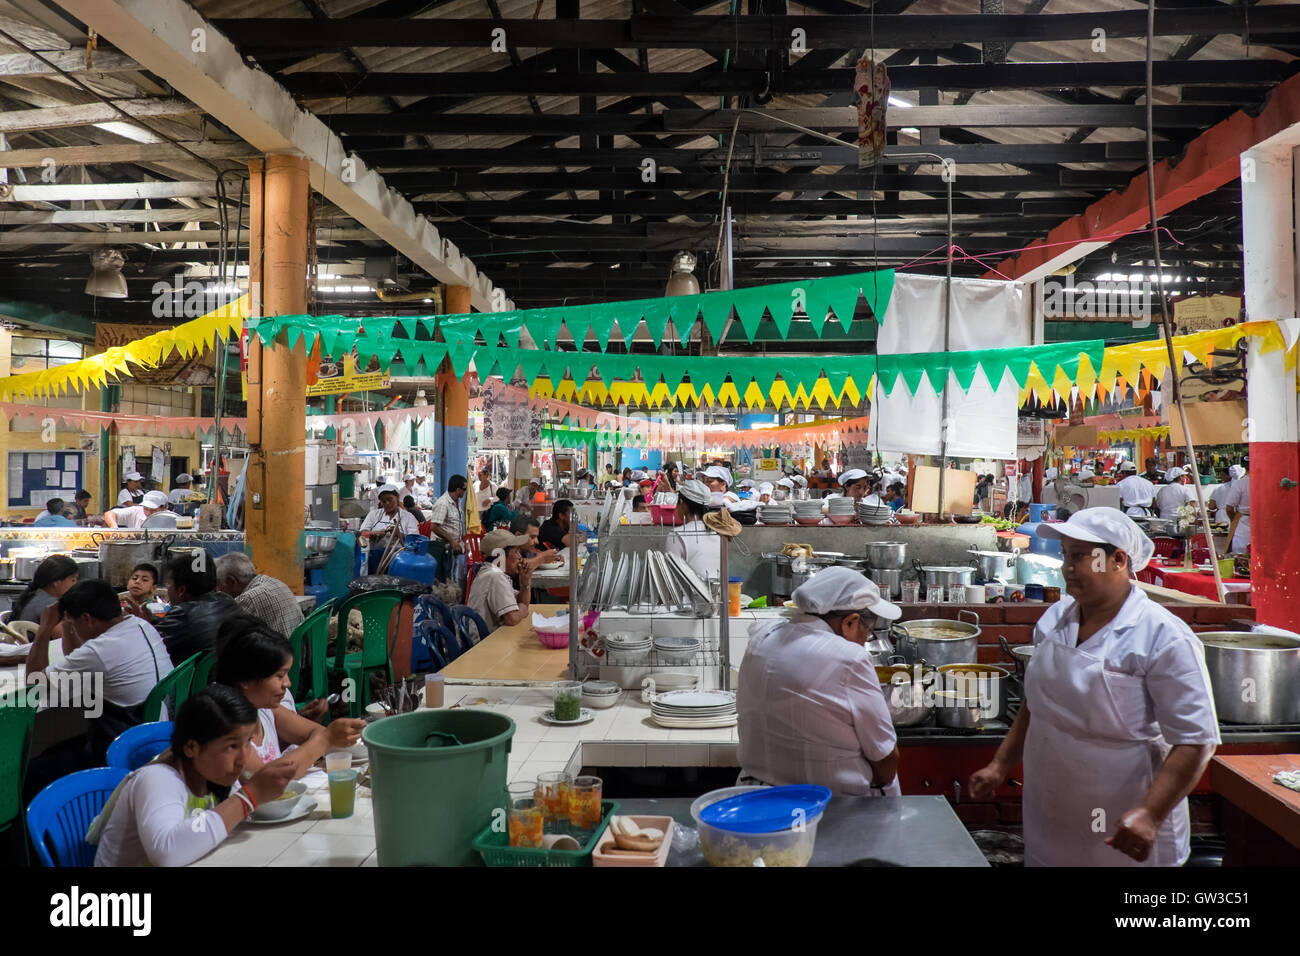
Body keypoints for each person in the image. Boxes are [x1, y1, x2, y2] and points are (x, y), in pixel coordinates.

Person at [968, 509, 1219, 866]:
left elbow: (1196, 740)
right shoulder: (1056, 618)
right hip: (1052, 811)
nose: (1067, 567)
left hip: (1124, 823)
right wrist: (1000, 764)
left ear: (1118, 560)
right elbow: (1037, 702)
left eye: (1080, 557)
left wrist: (1150, 813)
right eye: (1065, 555)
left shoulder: (1162, 636)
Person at [90, 685, 299, 867]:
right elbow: (166, 853)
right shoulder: (157, 779)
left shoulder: (214, 773)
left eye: (247, 743)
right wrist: (249, 797)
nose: (243, 758)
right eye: (232, 746)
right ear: (191, 747)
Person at [737, 568, 901, 795]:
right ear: (850, 623)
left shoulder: (761, 636)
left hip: (758, 794)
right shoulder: (850, 659)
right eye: (869, 631)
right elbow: (885, 761)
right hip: (835, 807)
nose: (866, 640)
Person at [23, 580, 174, 799]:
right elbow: (77, 656)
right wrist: (67, 623)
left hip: (120, 749)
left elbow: (34, 678)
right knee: (53, 751)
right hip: (152, 735)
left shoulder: (101, 651)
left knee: (32, 772)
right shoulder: (139, 625)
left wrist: (45, 627)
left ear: (87, 619)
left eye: (74, 623)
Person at [214, 615, 364, 775]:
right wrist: (325, 739)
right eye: (279, 675)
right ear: (246, 678)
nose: (287, 683)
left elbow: (316, 731)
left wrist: (332, 735)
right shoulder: (227, 723)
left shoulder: (265, 709)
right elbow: (265, 780)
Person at [155, 552, 241, 665]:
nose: (167, 587)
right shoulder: (227, 601)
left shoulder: (182, 614)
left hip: (199, 681)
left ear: (181, 590)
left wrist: (144, 624)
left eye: (169, 583)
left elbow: (147, 647)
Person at [214, 552, 304, 641]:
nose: (218, 589)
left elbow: (229, 636)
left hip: (282, 653)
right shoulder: (273, 581)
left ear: (232, 581)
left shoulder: (247, 599)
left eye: (219, 584)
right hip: (299, 649)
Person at [466, 529, 534, 629]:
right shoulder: (495, 576)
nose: (520, 557)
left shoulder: (492, 572)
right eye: (515, 552)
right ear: (499, 556)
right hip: (484, 642)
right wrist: (522, 610)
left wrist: (525, 583)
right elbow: (512, 619)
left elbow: (520, 602)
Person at [666, 479, 719, 586]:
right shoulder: (718, 531)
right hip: (720, 595)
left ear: (682, 503)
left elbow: (671, 577)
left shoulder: (676, 535)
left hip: (689, 600)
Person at [359, 485, 420, 573]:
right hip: (376, 558)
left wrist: (399, 534)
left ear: (397, 497)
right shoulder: (373, 515)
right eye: (384, 501)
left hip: (399, 559)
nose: (387, 503)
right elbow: (362, 534)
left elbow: (415, 540)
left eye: (390, 499)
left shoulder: (408, 517)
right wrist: (373, 534)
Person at [11, 554, 78, 624]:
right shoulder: (50, 604)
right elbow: (64, 632)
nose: (75, 584)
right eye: (73, 580)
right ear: (56, 582)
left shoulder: (37, 594)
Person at [427, 475, 467, 577]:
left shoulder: (457, 502)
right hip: (442, 548)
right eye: (464, 489)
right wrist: (452, 541)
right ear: (458, 490)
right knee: (444, 578)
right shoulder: (443, 503)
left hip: (452, 548)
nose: (465, 491)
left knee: (453, 577)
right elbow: (434, 526)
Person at [103, 490, 170, 529]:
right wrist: (114, 528)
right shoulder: (136, 512)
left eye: (153, 510)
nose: (148, 513)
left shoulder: (170, 518)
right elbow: (109, 514)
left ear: (163, 507)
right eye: (146, 509)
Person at [1224, 471, 1251, 554]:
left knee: (1242, 558)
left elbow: (1229, 508)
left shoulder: (1240, 483)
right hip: (1263, 522)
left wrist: (1234, 519)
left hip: (1243, 524)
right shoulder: (1266, 482)